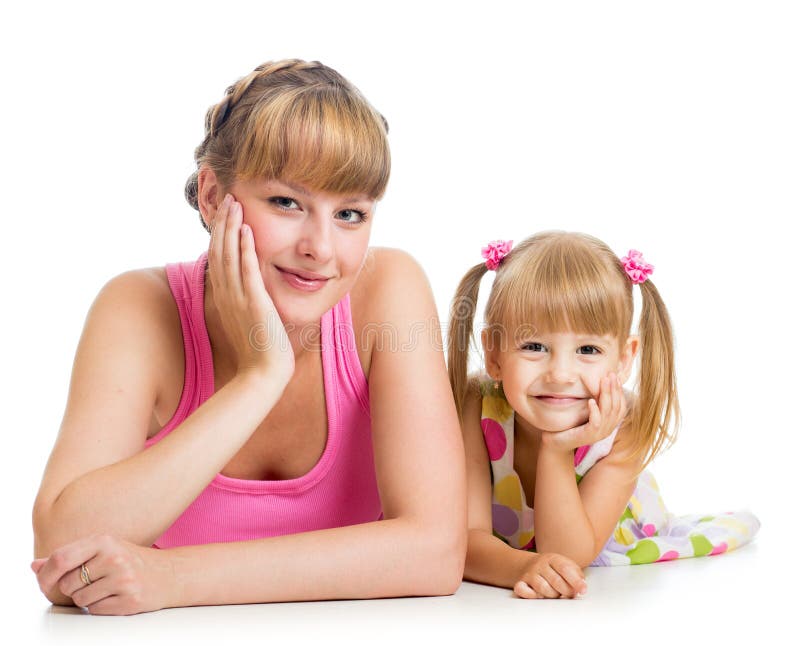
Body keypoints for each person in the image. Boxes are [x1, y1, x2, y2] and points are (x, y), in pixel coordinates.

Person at [31, 59, 466, 615]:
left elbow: (435, 551)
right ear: (213, 197)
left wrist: (175, 578)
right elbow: (60, 549)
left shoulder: (389, 290)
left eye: (351, 213)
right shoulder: (138, 308)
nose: (321, 249)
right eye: (287, 202)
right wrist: (260, 378)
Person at [448, 231, 759, 599]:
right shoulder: (477, 404)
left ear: (624, 358)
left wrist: (559, 449)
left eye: (588, 349)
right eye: (534, 346)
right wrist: (521, 567)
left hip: (601, 544)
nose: (560, 374)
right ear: (495, 354)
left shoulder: (628, 427)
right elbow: (465, 540)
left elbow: (567, 555)